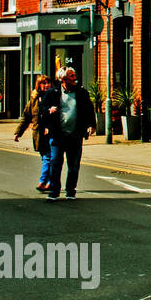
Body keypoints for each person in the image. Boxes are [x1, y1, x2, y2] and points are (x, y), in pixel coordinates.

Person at [45, 66, 94, 202]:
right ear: (63, 79)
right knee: (55, 163)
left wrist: (91, 125)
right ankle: (54, 192)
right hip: (58, 135)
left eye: (74, 75)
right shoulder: (52, 93)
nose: (74, 78)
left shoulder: (82, 93)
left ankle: (70, 191)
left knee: (73, 166)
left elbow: (89, 110)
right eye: (71, 76)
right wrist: (49, 110)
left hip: (75, 134)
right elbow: (42, 109)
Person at [13, 74, 54, 191]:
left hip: (51, 132)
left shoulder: (54, 96)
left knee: (47, 157)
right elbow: (26, 116)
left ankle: (43, 181)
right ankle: (50, 181)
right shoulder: (34, 99)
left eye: (47, 83)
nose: (46, 85)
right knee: (45, 158)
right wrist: (18, 133)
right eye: (43, 83)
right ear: (39, 85)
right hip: (39, 133)